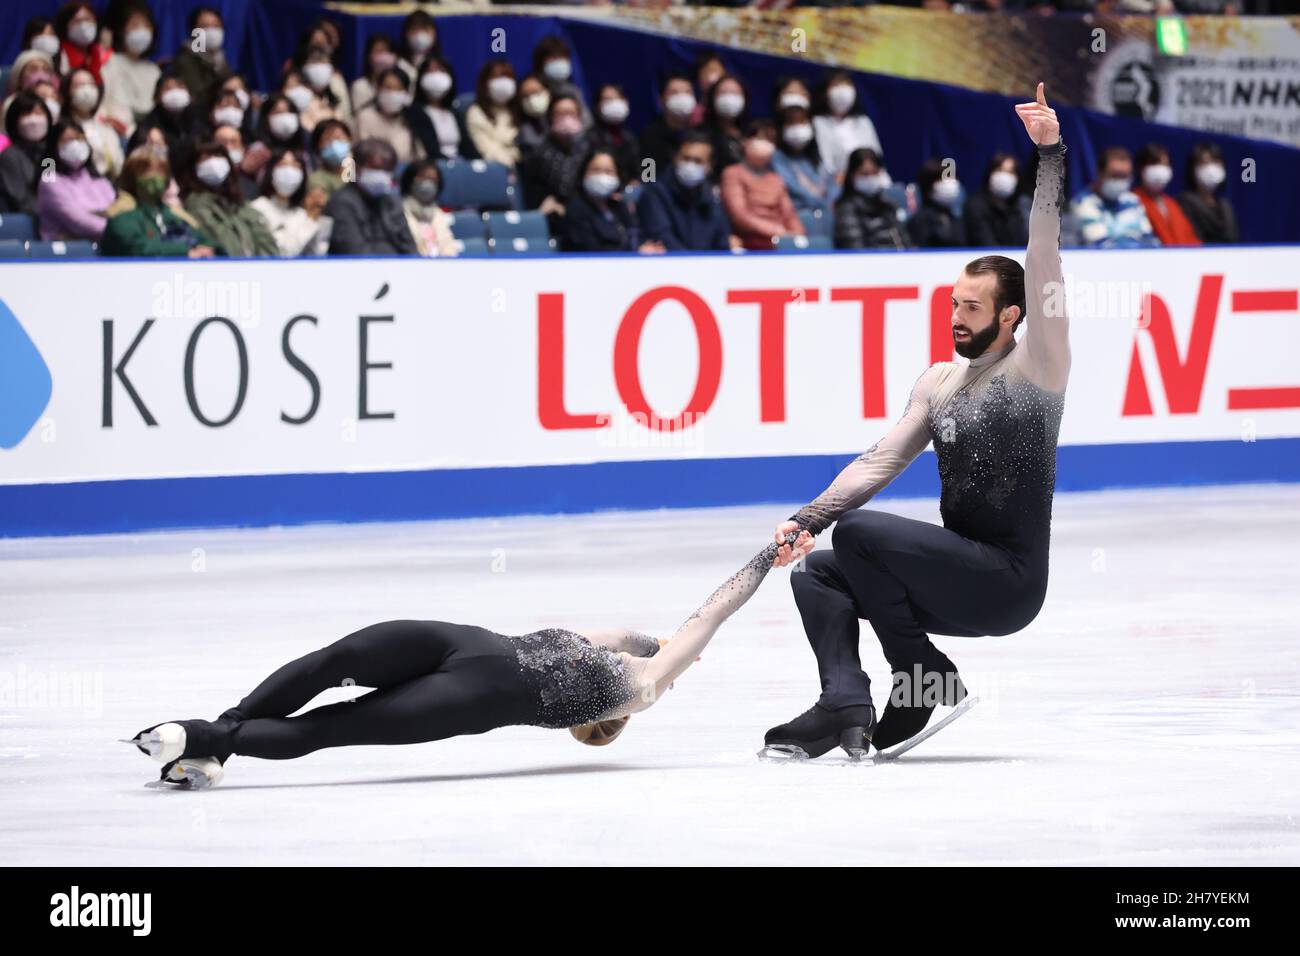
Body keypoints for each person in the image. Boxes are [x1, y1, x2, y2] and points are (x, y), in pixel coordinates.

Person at [762, 84, 1071, 760]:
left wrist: (1050, 158)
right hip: (951, 583)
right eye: (952, 303)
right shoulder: (937, 382)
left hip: (1007, 583)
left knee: (864, 533)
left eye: (971, 307)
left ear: (1011, 316)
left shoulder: (1039, 367)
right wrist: (807, 518)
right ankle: (843, 697)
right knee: (818, 575)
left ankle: (923, 677)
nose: (956, 317)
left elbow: (1043, 254)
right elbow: (880, 461)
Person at [124, 534, 798, 788]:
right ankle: (209, 740)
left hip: (472, 661)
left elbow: (709, 613)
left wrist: (771, 554)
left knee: (335, 694)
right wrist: (664, 646)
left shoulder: (643, 688)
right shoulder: (629, 672)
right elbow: (646, 634)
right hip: (473, 665)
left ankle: (207, 738)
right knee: (334, 684)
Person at [101, 150, 219, 257]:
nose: (154, 176)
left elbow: (208, 242)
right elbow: (136, 248)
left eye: (160, 171)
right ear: (132, 177)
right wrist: (184, 251)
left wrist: (207, 249)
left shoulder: (175, 215)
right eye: (146, 171)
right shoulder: (121, 214)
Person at [637, 132, 733, 252]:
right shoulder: (655, 193)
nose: (690, 165)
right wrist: (694, 263)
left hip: (706, 266)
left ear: (710, 166)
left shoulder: (712, 198)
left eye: (698, 161)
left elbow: (722, 241)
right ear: (675, 158)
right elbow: (662, 237)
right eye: (686, 158)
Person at [720, 118, 804, 250]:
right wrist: (775, 231)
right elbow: (740, 215)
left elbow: (789, 213)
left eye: (770, 141)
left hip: (780, 242)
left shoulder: (776, 178)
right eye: (760, 138)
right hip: (748, 242)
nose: (765, 144)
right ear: (745, 141)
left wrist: (798, 235)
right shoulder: (733, 173)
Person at [182, 141, 278, 257]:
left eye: (218, 156)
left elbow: (266, 241)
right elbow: (223, 243)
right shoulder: (196, 203)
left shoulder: (240, 202)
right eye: (204, 158)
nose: (213, 162)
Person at [324, 137, 417, 256]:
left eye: (387, 169)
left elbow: (410, 248)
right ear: (357, 168)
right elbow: (353, 252)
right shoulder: (340, 203)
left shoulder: (392, 201)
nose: (382, 175)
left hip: (397, 270)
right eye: (377, 168)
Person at [561, 146, 660, 254]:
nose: (602, 177)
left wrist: (647, 246)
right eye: (596, 170)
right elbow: (590, 249)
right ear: (584, 173)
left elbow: (635, 234)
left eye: (609, 171)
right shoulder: (576, 209)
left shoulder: (619, 206)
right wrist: (635, 252)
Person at [36, 118, 116, 241]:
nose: (75, 145)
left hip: (105, 243)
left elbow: (115, 206)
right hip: (67, 250)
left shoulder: (96, 178)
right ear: (54, 147)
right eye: (67, 140)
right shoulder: (50, 182)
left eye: (79, 139)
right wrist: (118, 229)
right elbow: (78, 221)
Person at [1072, 146, 1156, 248]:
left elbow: (1149, 240)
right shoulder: (1083, 204)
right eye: (1115, 176)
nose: (1120, 182)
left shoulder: (1133, 201)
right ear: (1100, 173)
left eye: (1125, 176)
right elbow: (1102, 245)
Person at [250, 148, 328, 257]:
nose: (289, 171)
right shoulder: (257, 208)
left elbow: (318, 253)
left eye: (296, 166)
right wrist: (310, 220)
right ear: (270, 171)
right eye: (282, 164)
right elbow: (281, 253)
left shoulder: (301, 214)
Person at [100, 3, 160, 139]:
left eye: (147, 26)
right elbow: (116, 105)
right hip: (120, 133)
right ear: (121, 30)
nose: (142, 31)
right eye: (135, 25)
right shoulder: (111, 62)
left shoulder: (154, 70)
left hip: (149, 134)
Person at [520, 93, 587, 213]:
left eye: (571, 113)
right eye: (560, 114)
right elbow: (533, 190)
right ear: (550, 118)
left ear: (579, 117)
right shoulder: (538, 153)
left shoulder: (590, 150)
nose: (566, 118)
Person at [812, 71, 882, 181]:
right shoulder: (818, 122)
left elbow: (876, 155)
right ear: (825, 92)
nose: (843, 90)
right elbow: (825, 163)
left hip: (870, 179)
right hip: (836, 182)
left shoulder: (863, 121)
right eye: (836, 85)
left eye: (847, 84)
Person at [833, 147, 907, 250]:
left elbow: (904, 241)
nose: (870, 179)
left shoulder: (888, 205)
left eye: (874, 173)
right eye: (865, 174)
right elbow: (855, 248)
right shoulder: (846, 209)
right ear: (851, 176)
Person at [770, 104, 836, 216]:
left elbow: (830, 183)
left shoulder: (815, 156)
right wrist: (823, 203)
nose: (797, 128)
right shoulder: (777, 158)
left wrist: (831, 199)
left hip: (825, 213)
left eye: (802, 122)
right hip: (797, 214)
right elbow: (794, 189)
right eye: (791, 123)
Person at [408, 54, 476, 160]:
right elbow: (430, 149)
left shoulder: (454, 112)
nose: (436, 76)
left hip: (460, 165)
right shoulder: (415, 111)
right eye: (430, 71)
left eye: (441, 70)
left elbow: (468, 147)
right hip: (435, 167)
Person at [1133, 142, 1200, 247]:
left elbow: (1191, 239)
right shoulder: (1133, 201)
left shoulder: (1172, 204)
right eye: (1155, 163)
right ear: (1141, 168)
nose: (1160, 170)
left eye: (1165, 165)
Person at [0, 92, 53, 216]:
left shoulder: (50, 154)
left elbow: (50, 189)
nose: (34, 120)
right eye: (26, 114)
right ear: (14, 121)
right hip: (30, 219)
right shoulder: (10, 156)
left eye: (39, 113)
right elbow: (21, 199)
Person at [355, 67, 421, 164]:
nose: (392, 93)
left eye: (398, 89)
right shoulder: (366, 116)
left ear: (406, 93)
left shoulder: (412, 118)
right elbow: (362, 153)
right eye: (388, 87)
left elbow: (420, 156)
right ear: (378, 89)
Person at [964, 152, 1029, 248]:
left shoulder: (1020, 205)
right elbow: (985, 242)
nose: (1005, 177)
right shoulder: (976, 205)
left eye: (1010, 172)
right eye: (1000, 170)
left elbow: (1024, 241)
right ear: (990, 173)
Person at [639, 71, 698, 176]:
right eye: (674, 92)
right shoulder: (649, 136)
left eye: (687, 92)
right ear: (661, 100)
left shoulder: (700, 135)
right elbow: (647, 176)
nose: (682, 98)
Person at [1178, 142, 1239, 244]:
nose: (1211, 168)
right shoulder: (1185, 203)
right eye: (1204, 163)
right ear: (1193, 169)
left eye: (1215, 162)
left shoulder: (1225, 205)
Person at [170, 6, 230, 107]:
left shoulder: (221, 60)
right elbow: (198, 96)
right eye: (205, 26)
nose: (212, 31)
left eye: (216, 26)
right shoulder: (185, 60)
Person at [465, 60, 520, 167]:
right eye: (497, 77)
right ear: (485, 83)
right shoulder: (476, 112)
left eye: (508, 77)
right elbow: (489, 151)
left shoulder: (519, 110)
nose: (504, 82)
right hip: (497, 169)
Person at [399, 159, 455, 257]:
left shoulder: (437, 213)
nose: (428, 183)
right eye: (423, 177)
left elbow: (449, 248)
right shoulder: (398, 211)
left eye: (433, 180)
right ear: (410, 180)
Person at [908, 158, 969, 248]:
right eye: (943, 178)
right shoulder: (920, 220)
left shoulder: (961, 217)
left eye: (952, 177)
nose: (949, 183)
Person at [588, 83, 640, 187]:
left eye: (618, 98)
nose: (614, 103)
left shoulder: (630, 136)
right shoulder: (590, 138)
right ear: (597, 106)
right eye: (607, 99)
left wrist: (645, 182)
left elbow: (648, 162)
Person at [702, 73, 748, 177]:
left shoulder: (749, 133)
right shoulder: (701, 134)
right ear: (712, 98)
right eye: (723, 92)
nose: (729, 98)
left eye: (735, 93)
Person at [55, 2, 111, 83]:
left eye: (88, 19)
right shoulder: (59, 56)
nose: (83, 26)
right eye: (77, 21)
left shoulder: (104, 54)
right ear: (65, 26)